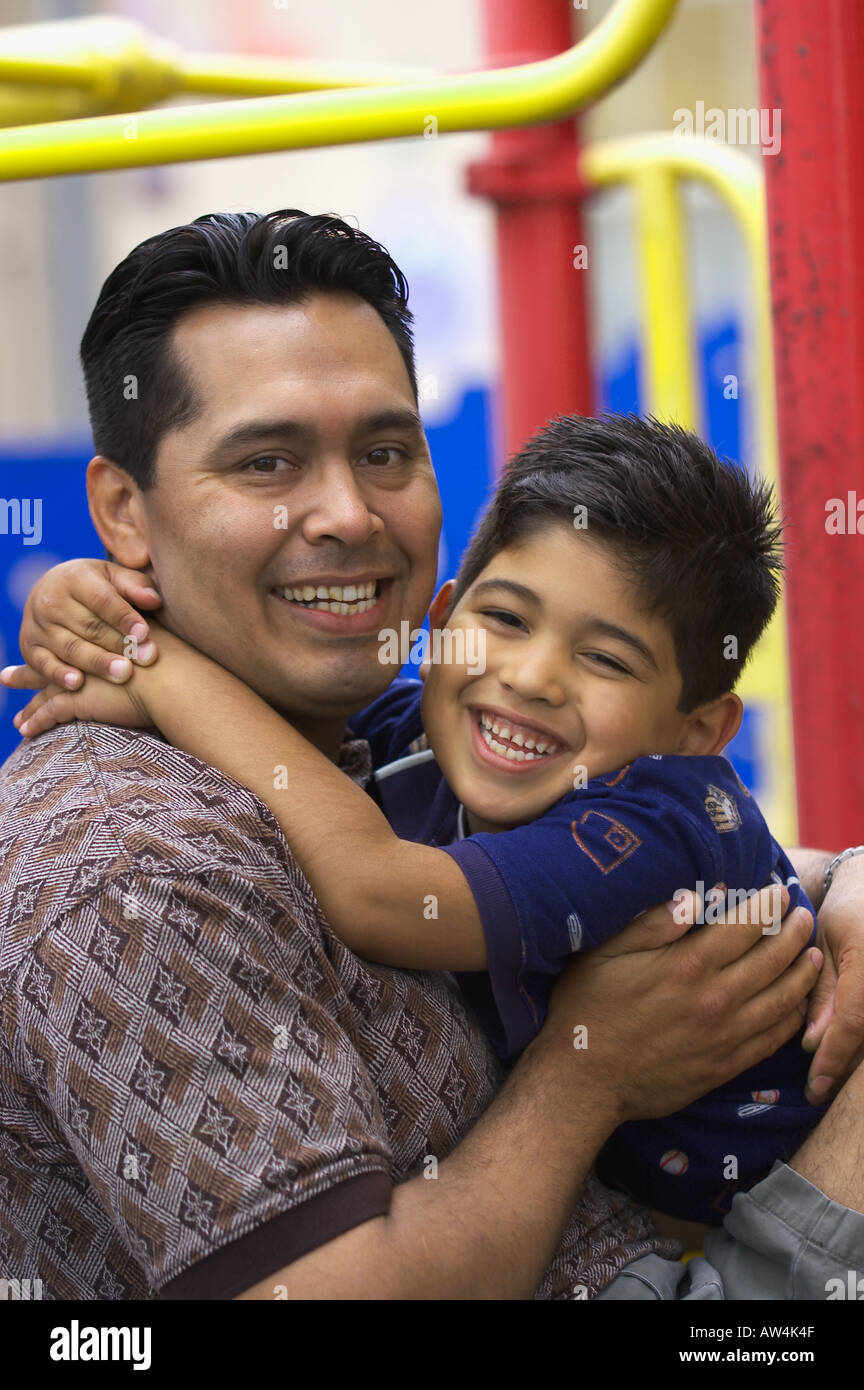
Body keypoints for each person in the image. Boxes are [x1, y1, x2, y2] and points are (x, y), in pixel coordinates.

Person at [1, 209, 862, 1301]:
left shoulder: (380, 738)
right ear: (123, 511)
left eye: (386, 452)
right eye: (267, 462)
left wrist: (848, 883)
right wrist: (588, 1073)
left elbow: (647, 857)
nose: (347, 514)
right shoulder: (131, 870)